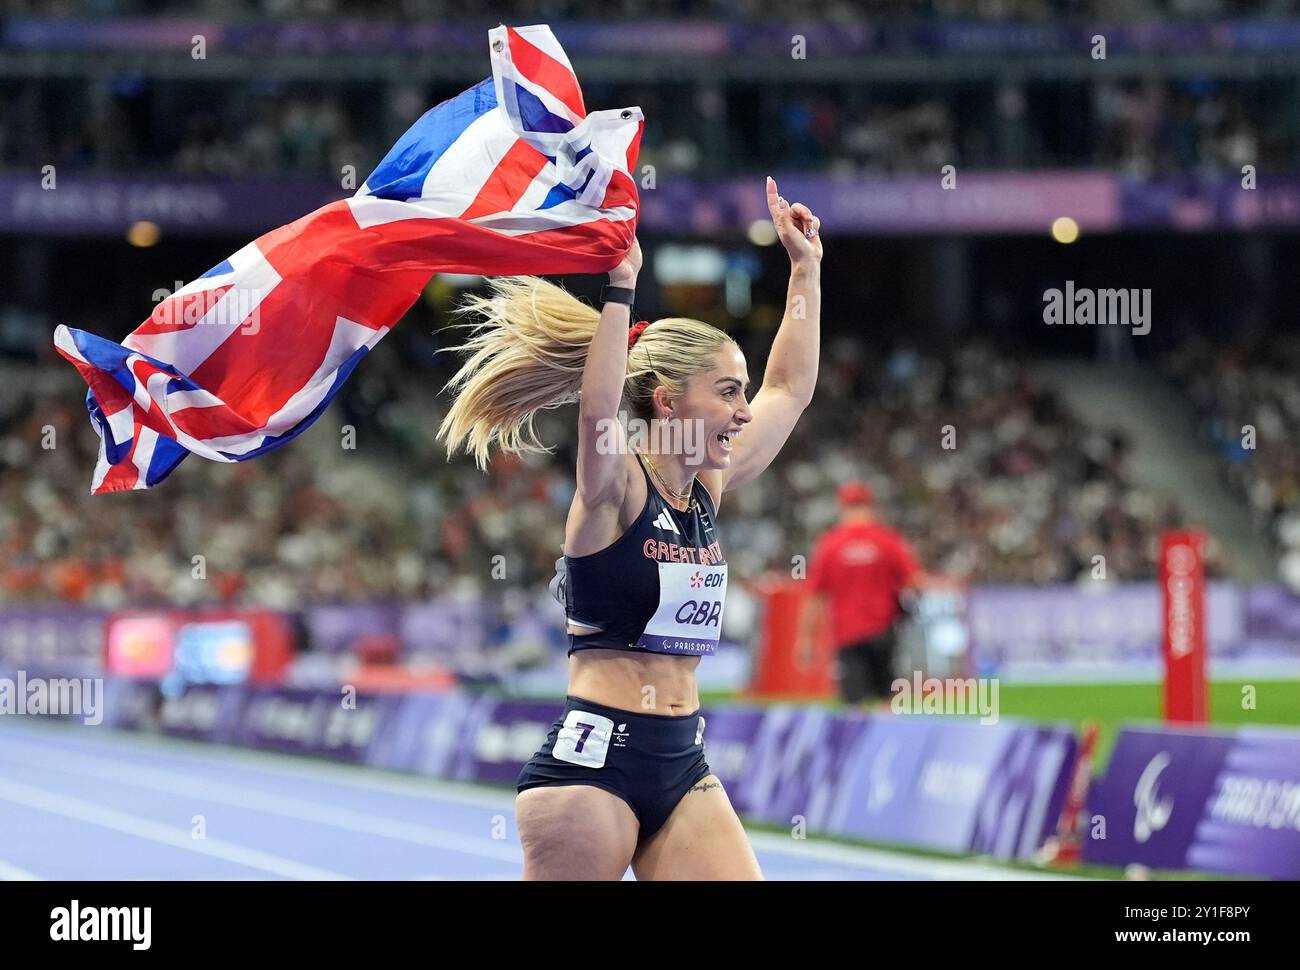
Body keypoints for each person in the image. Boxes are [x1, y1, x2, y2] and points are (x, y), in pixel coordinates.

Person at [438, 177, 821, 880]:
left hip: (683, 759)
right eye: (727, 392)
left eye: (741, 392)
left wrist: (805, 269)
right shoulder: (615, 488)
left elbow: (789, 391)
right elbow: (595, 418)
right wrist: (621, 288)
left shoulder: (704, 488)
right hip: (594, 767)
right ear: (670, 400)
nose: (743, 412)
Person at [798, 481, 923, 705]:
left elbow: (815, 597)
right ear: (870, 507)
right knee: (888, 699)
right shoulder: (888, 540)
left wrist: (806, 640)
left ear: (843, 507)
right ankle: (888, 739)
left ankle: (855, 738)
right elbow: (915, 583)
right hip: (883, 632)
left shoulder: (829, 545)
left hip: (848, 635)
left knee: (852, 704)